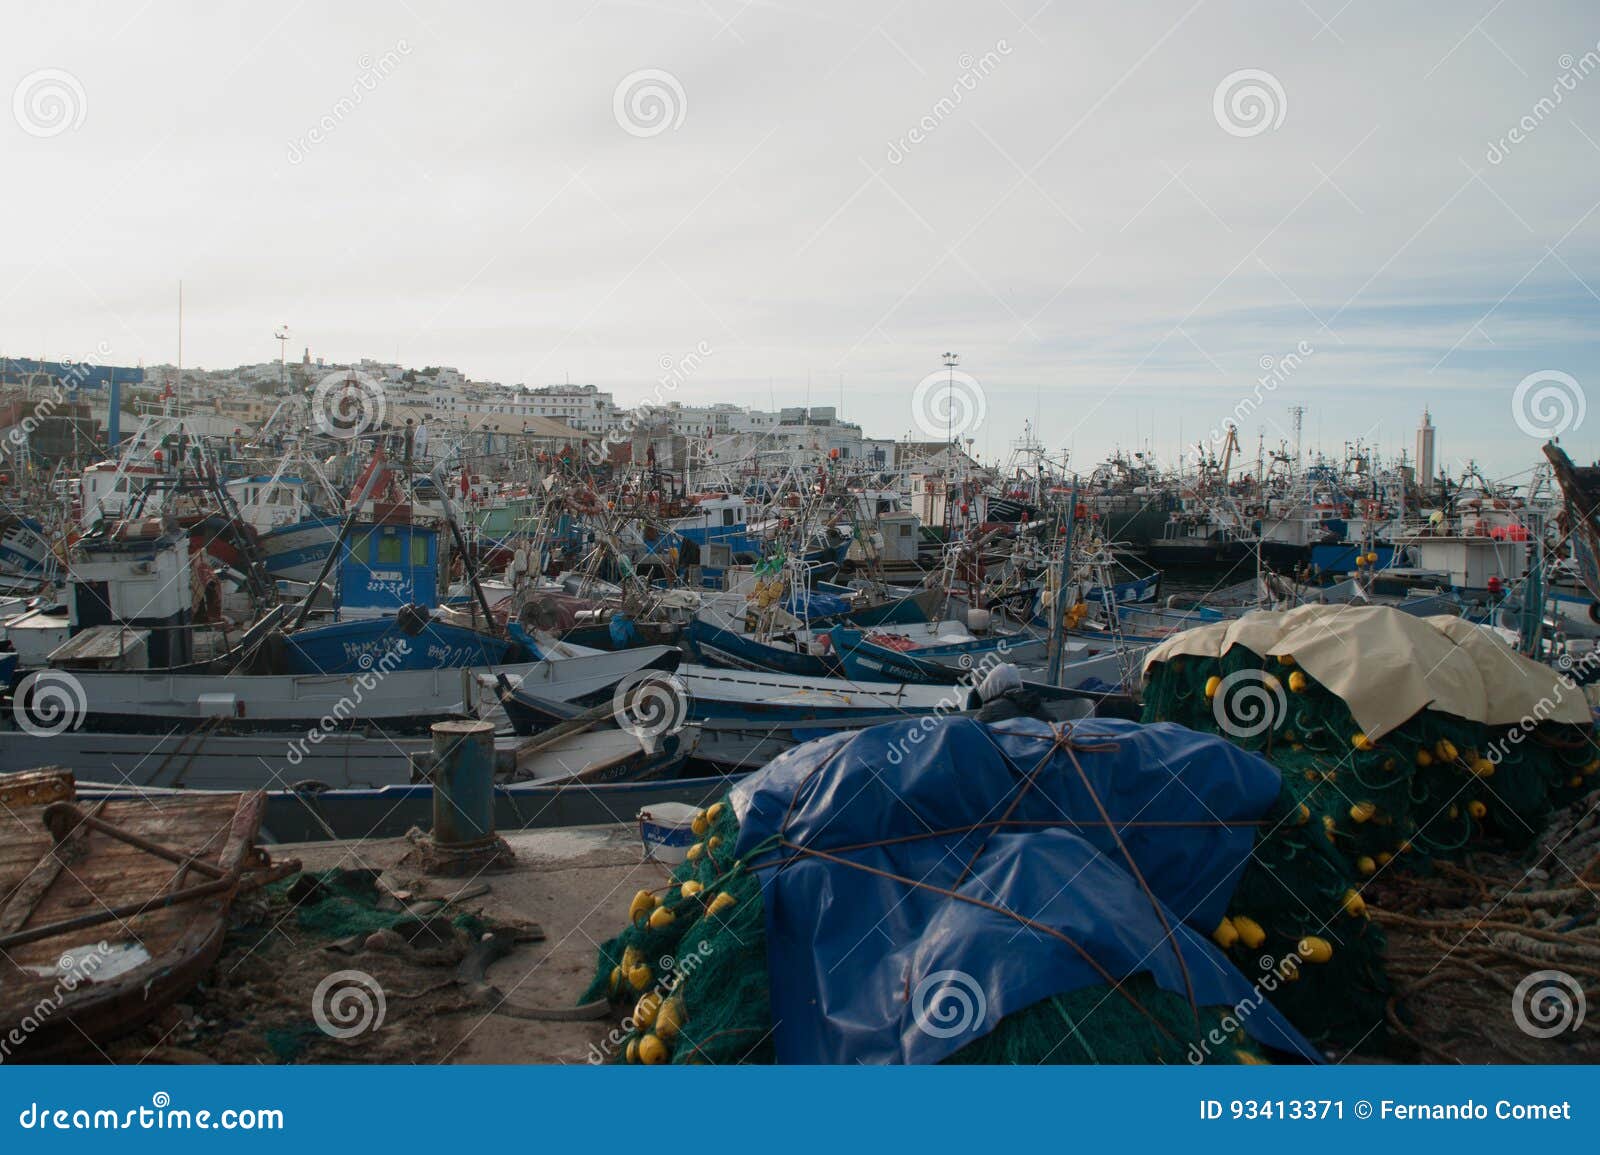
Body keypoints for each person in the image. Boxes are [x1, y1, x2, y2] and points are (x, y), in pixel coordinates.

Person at [973, 662, 1048, 723]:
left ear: (991, 687)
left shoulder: (990, 709)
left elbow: (974, 729)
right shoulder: (1033, 701)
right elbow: (1052, 720)